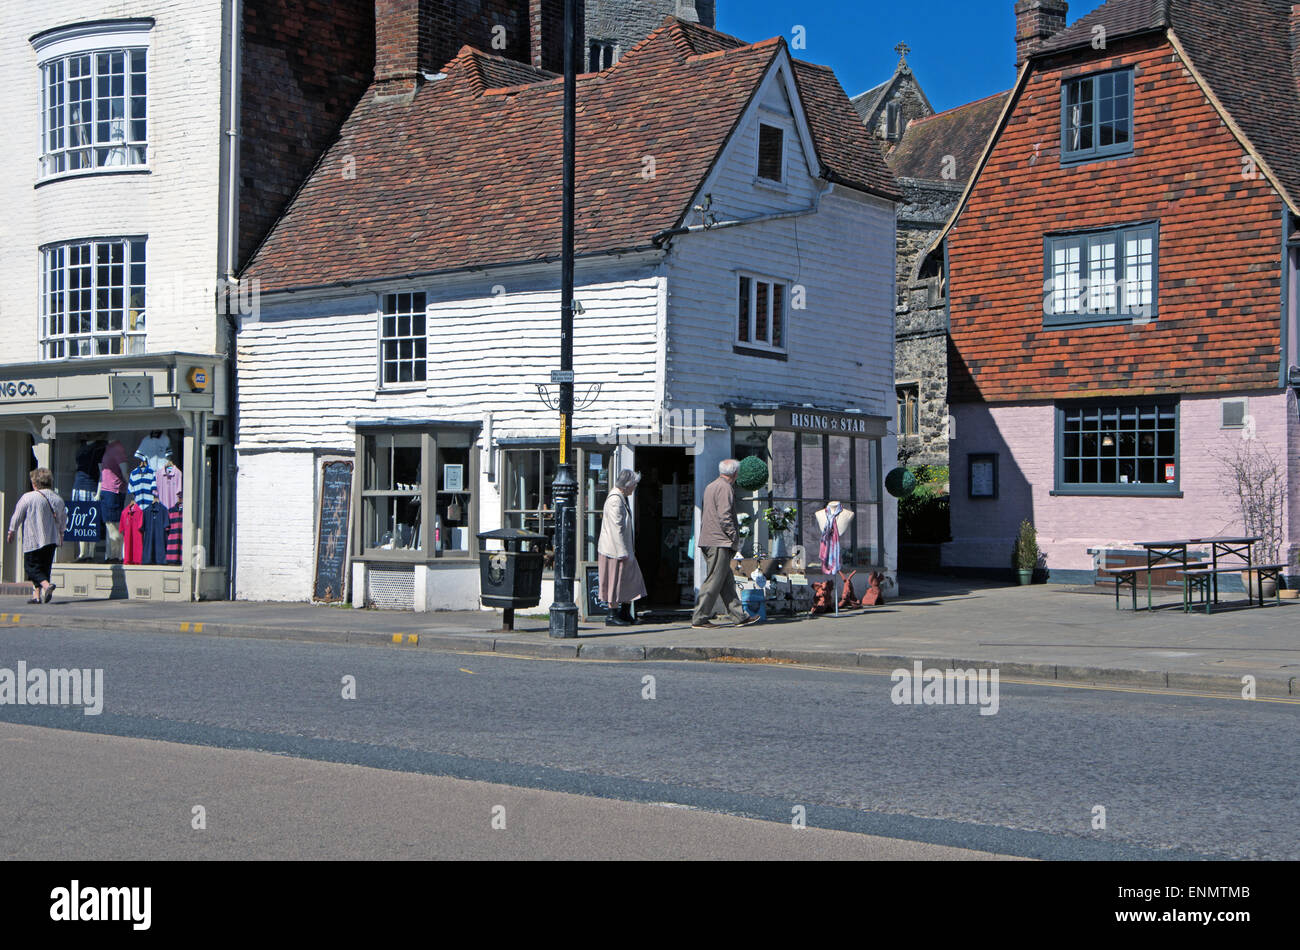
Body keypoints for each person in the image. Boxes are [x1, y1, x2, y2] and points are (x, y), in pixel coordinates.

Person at [692, 458, 760, 628]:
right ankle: (699, 618)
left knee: (726, 580)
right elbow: (725, 516)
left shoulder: (711, 486)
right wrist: (734, 537)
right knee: (714, 580)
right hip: (719, 541)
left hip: (711, 539)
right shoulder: (725, 488)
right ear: (735, 473)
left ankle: (739, 616)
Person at [6, 468, 68, 604]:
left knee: (31, 567)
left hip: (33, 539)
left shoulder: (28, 497)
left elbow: (17, 516)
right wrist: (62, 533)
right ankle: (37, 595)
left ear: (35, 483)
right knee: (44, 567)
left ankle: (47, 586)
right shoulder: (57, 498)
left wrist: (12, 530)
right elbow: (63, 518)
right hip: (52, 538)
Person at [597, 470, 647, 626]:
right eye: (634, 485)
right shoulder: (615, 500)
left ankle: (625, 613)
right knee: (615, 582)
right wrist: (622, 552)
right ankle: (612, 615)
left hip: (623, 549)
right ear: (627, 485)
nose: (634, 488)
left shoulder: (621, 498)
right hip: (614, 551)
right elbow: (616, 528)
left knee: (630, 581)